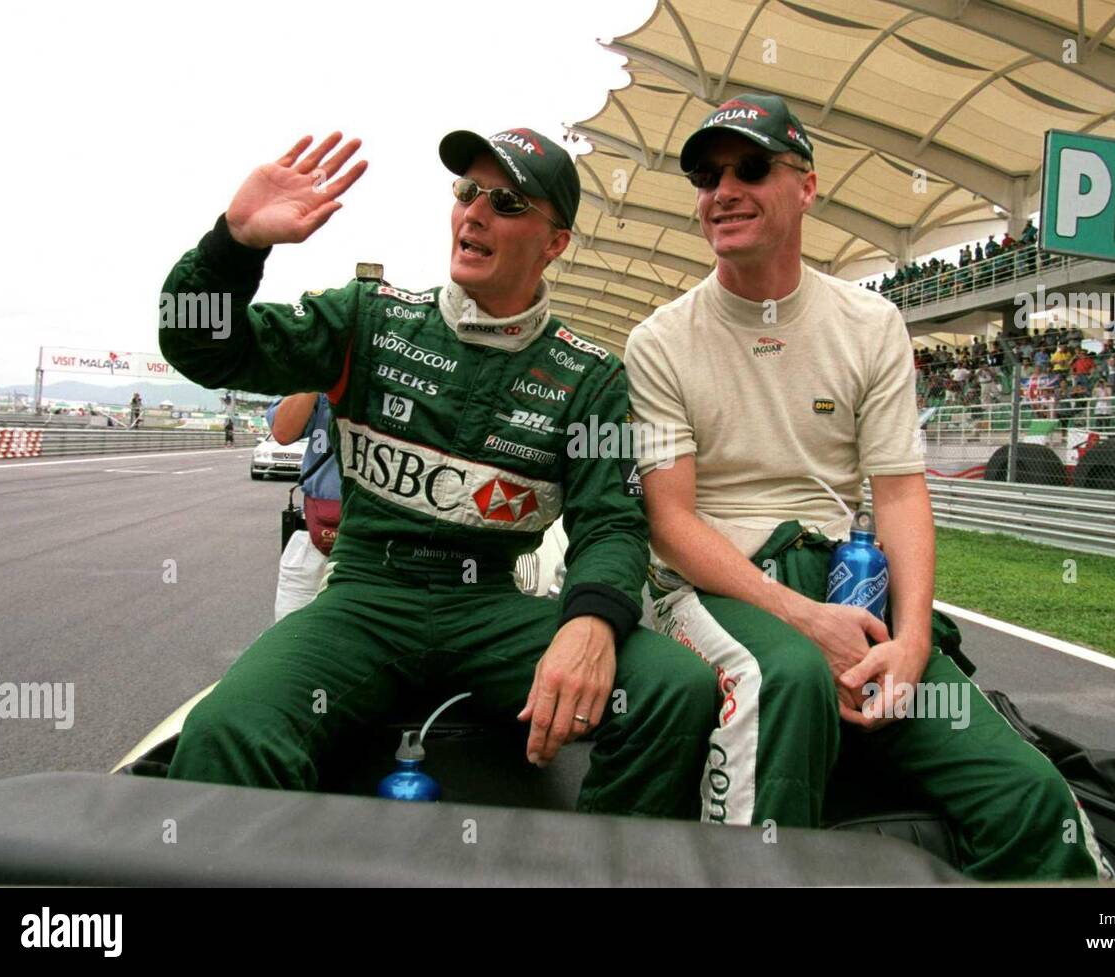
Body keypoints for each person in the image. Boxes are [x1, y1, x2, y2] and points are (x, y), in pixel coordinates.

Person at [156, 127, 718, 815]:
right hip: (364, 595)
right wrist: (234, 243)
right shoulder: (370, 318)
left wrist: (591, 623)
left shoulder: (590, 376)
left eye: (506, 202)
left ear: (555, 243)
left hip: (491, 609)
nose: (474, 212)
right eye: (466, 192)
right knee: (225, 730)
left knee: (675, 688)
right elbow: (201, 350)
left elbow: (611, 522)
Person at [623, 94, 1108, 880]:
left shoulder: (871, 323)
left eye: (750, 168)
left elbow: (900, 494)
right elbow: (671, 522)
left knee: (1032, 802)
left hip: (850, 587)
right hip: (718, 591)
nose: (723, 191)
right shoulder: (657, 340)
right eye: (707, 176)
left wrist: (913, 641)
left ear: (807, 185)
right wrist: (802, 619)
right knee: (780, 681)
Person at [266, 393, 341, 621]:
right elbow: (283, 431)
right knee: (289, 638)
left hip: (387, 549)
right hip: (317, 539)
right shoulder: (321, 384)